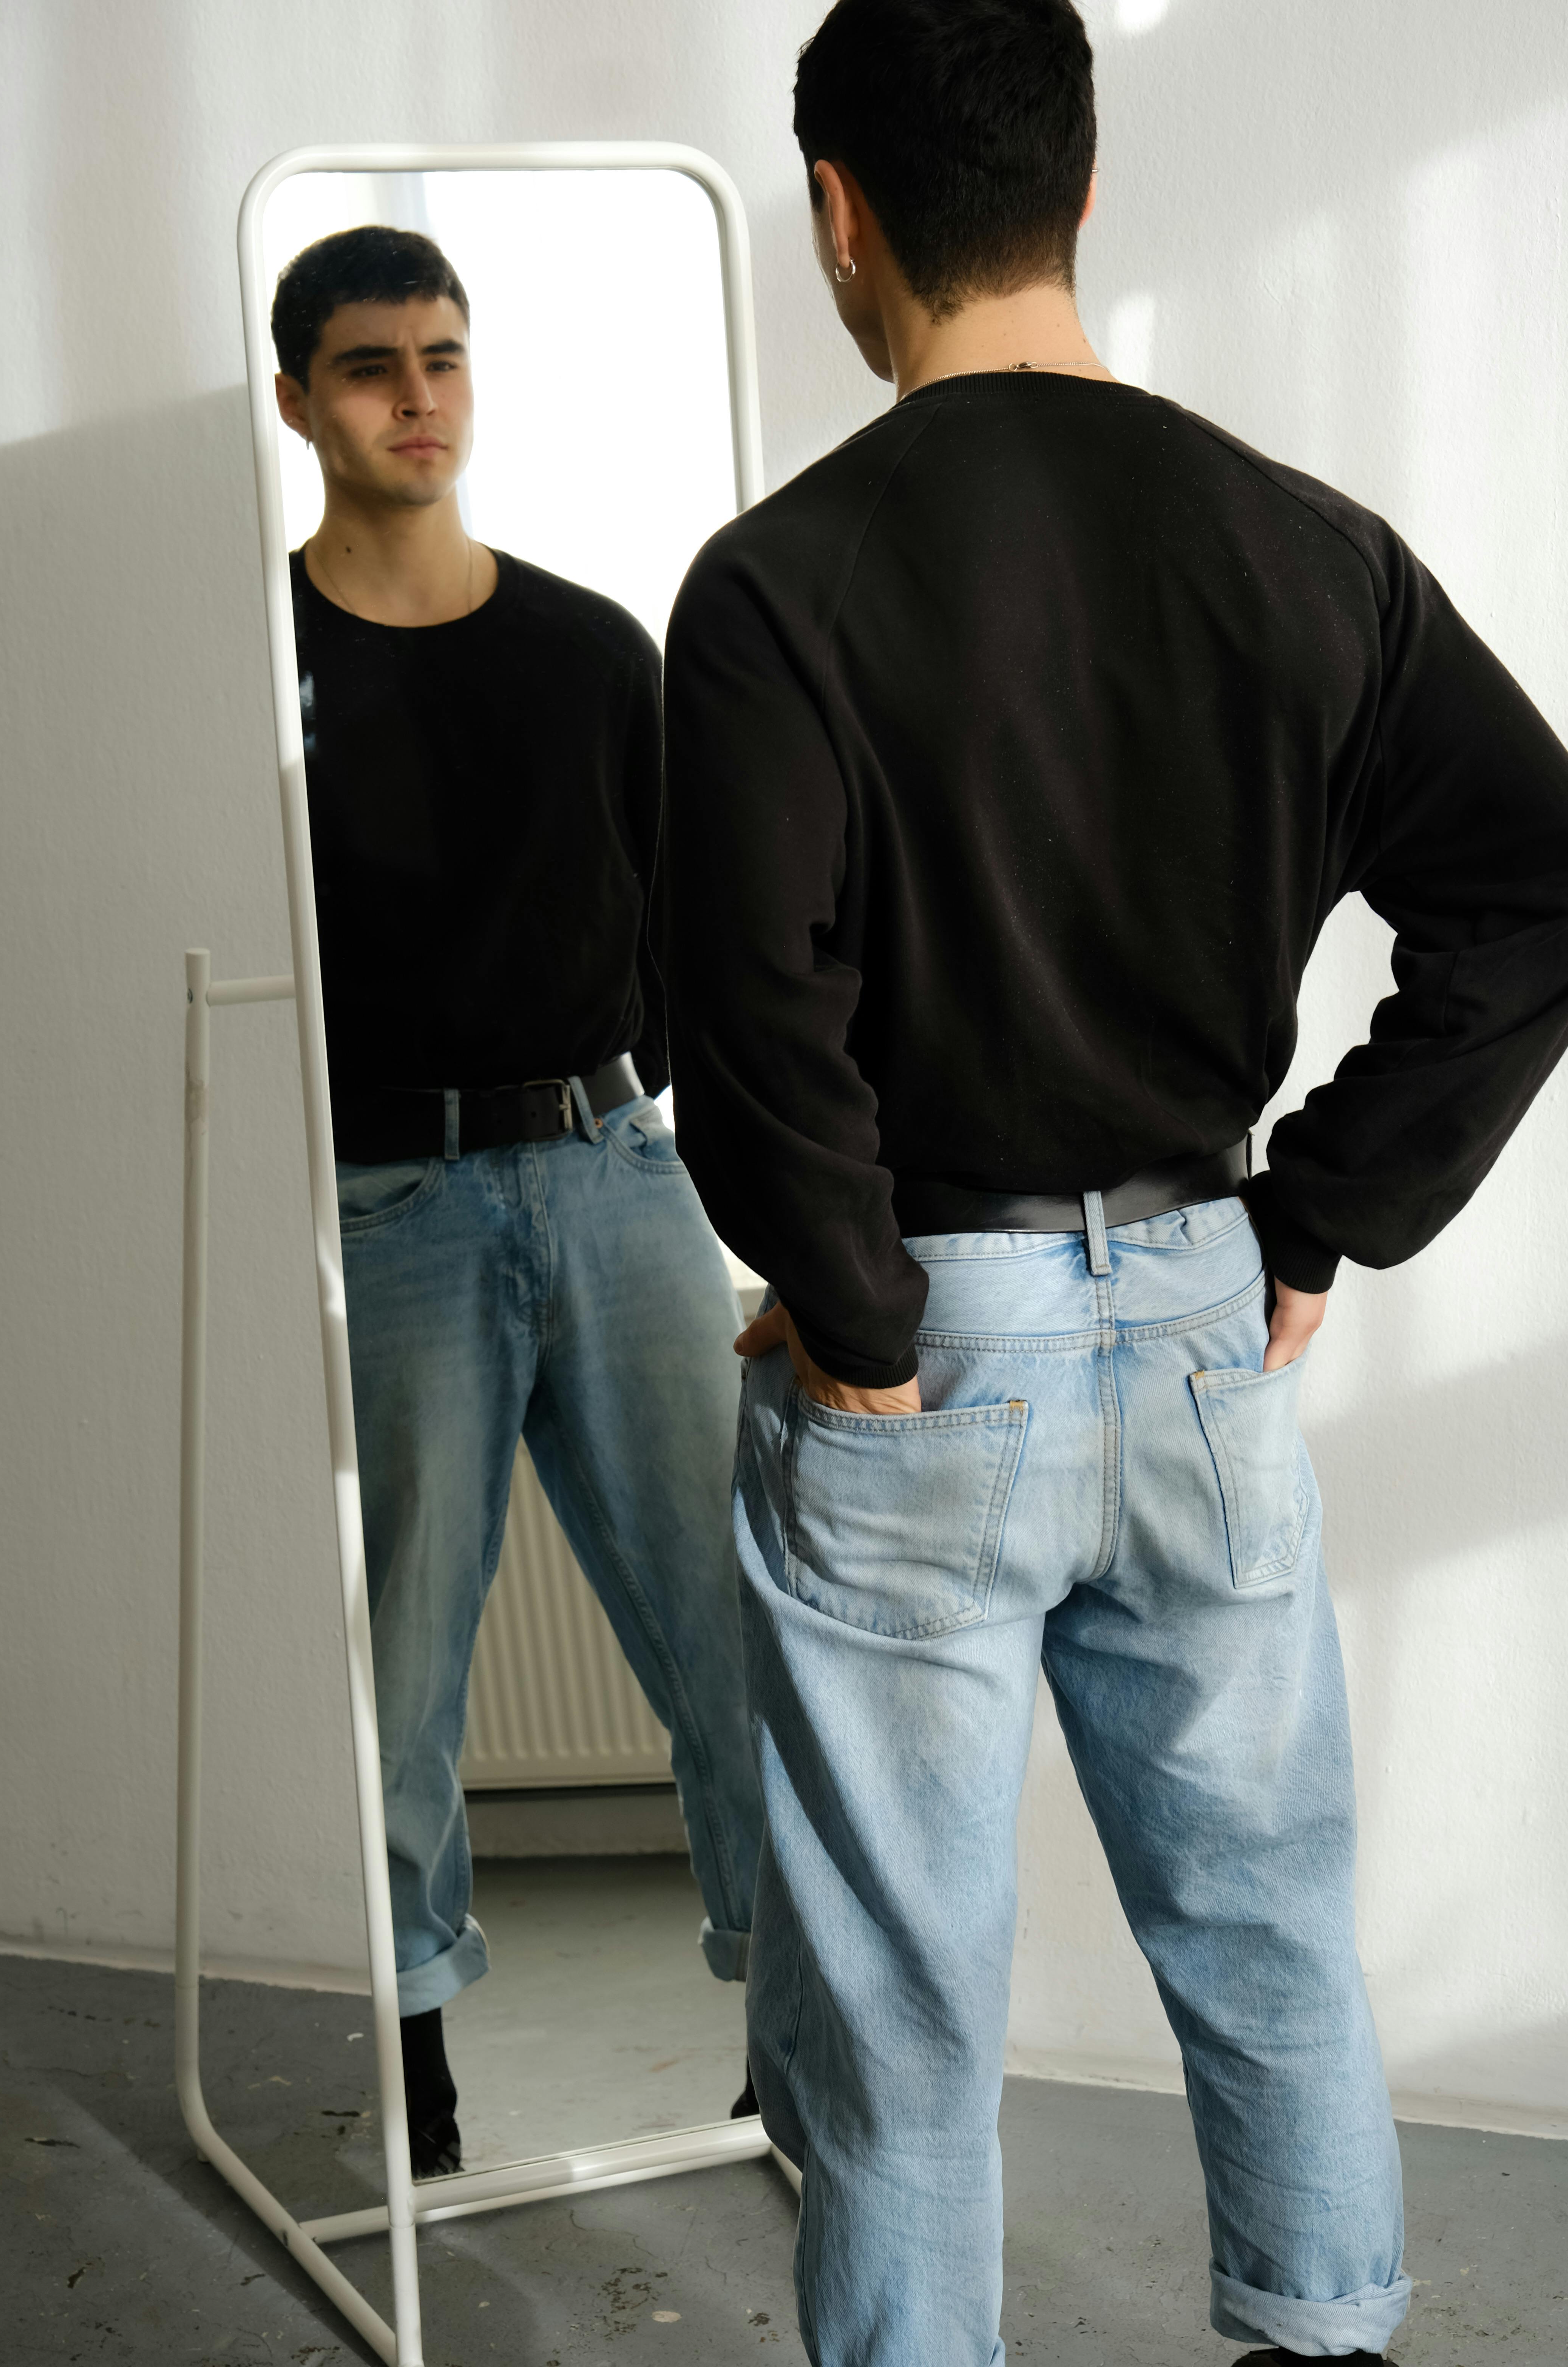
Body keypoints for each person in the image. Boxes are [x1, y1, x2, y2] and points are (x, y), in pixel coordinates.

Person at [657, 3, 1568, 2361]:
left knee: (903, 2027)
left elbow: (754, 1029)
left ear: (838, 219)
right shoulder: (1303, 545)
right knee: (1269, 1944)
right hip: (1194, 1341)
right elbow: (1540, 883)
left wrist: (856, 1304)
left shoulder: (780, 585)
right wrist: (1305, 1215)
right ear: (1084, 188)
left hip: (918, 1373)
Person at [270, 224, 764, 2173]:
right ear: (300, 393)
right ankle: (420, 2068)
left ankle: (792, 2038)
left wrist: (745, 1207)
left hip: (610, 1170)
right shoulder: (264, 661)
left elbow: (694, 953)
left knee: (735, 1628)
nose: (418, 396)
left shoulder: (588, 650)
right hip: (387, 1197)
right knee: (402, 1662)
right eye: (376, 363)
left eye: (447, 358)